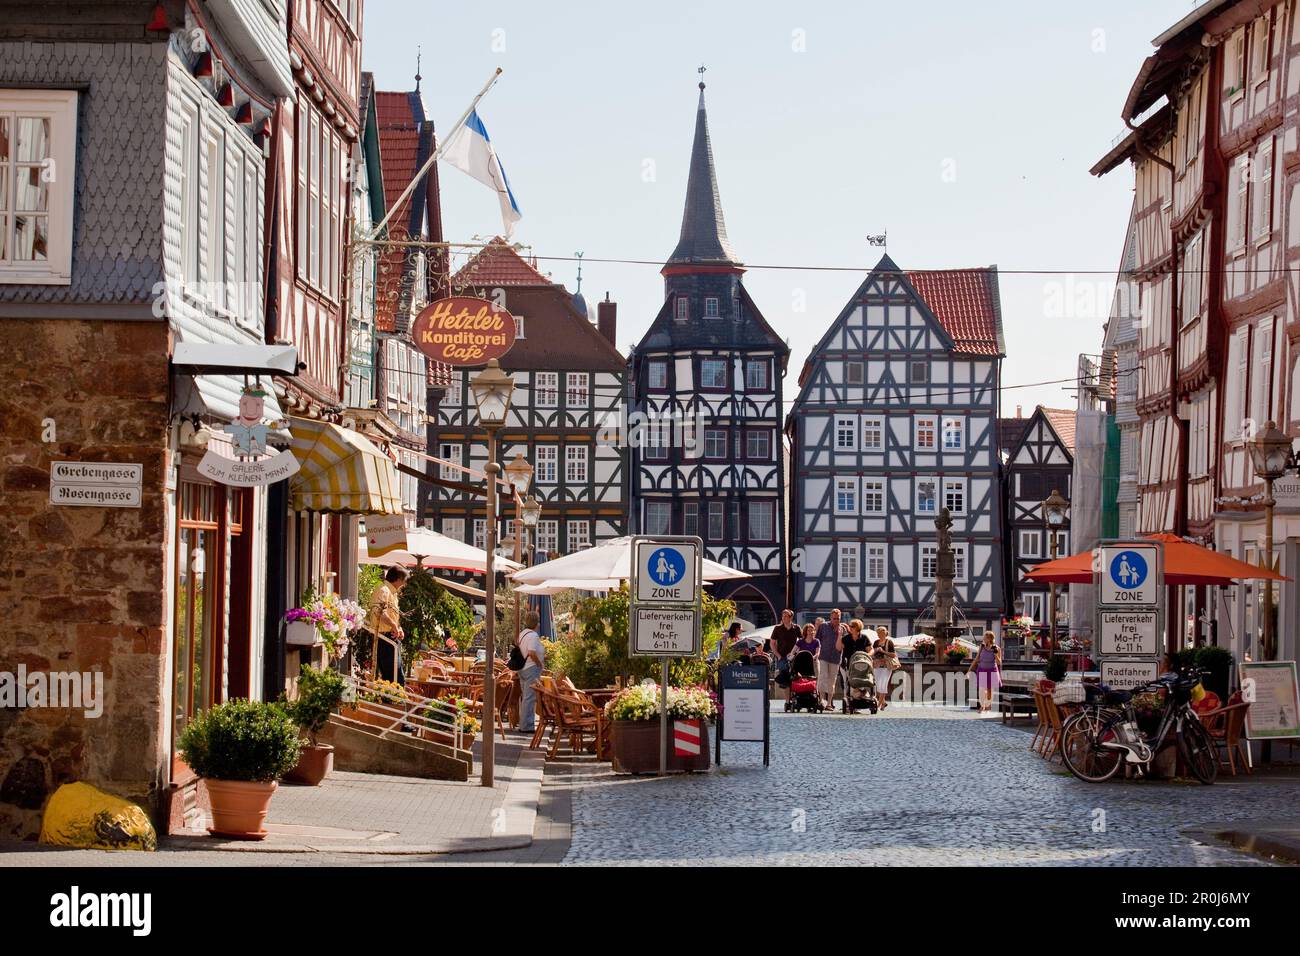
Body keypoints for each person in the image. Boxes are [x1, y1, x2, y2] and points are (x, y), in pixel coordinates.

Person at [366, 566, 408, 683]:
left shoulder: (392, 593)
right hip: (383, 637)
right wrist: (394, 626)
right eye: (404, 581)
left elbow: (392, 614)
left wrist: (398, 628)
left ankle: (392, 698)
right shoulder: (383, 590)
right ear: (398, 579)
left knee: (394, 674)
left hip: (390, 637)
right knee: (394, 676)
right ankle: (393, 699)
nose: (404, 584)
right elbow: (379, 612)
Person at [515, 609, 546, 736]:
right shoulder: (533, 636)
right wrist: (539, 663)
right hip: (531, 668)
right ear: (535, 623)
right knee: (530, 697)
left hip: (522, 668)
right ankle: (526, 726)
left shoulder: (522, 634)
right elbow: (531, 652)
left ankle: (524, 723)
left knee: (525, 697)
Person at [815, 609, 848, 708]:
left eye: (838, 619)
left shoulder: (843, 629)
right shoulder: (823, 626)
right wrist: (816, 653)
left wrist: (840, 634)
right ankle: (821, 701)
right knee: (822, 678)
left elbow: (844, 644)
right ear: (830, 617)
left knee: (832, 681)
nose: (836, 621)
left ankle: (829, 703)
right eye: (834, 618)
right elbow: (817, 641)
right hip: (823, 656)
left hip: (836, 657)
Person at [969, 630, 1003, 713]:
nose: (983, 639)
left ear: (989, 639)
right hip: (982, 669)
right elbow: (977, 658)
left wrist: (995, 654)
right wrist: (969, 669)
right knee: (981, 688)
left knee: (990, 690)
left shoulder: (997, 648)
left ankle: (988, 705)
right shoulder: (982, 647)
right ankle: (982, 705)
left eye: (985, 637)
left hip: (992, 670)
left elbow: (999, 663)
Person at [771, 609, 801, 688]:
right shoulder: (777, 628)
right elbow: (772, 643)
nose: (783, 618)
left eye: (786, 616)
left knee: (795, 678)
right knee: (784, 682)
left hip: (793, 657)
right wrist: (778, 656)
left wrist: (795, 653)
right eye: (783, 616)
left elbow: (801, 642)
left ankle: (793, 698)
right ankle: (787, 700)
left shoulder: (796, 628)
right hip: (782, 657)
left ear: (791, 618)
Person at [871, 625, 898, 710]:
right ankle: (883, 703)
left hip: (886, 666)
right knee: (878, 685)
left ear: (885, 634)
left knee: (883, 685)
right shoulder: (876, 642)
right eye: (878, 633)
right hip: (877, 665)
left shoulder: (889, 642)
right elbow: (873, 652)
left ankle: (878, 706)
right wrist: (874, 652)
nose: (879, 635)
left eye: (881, 633)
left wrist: (883, 651)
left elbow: (893, 655)